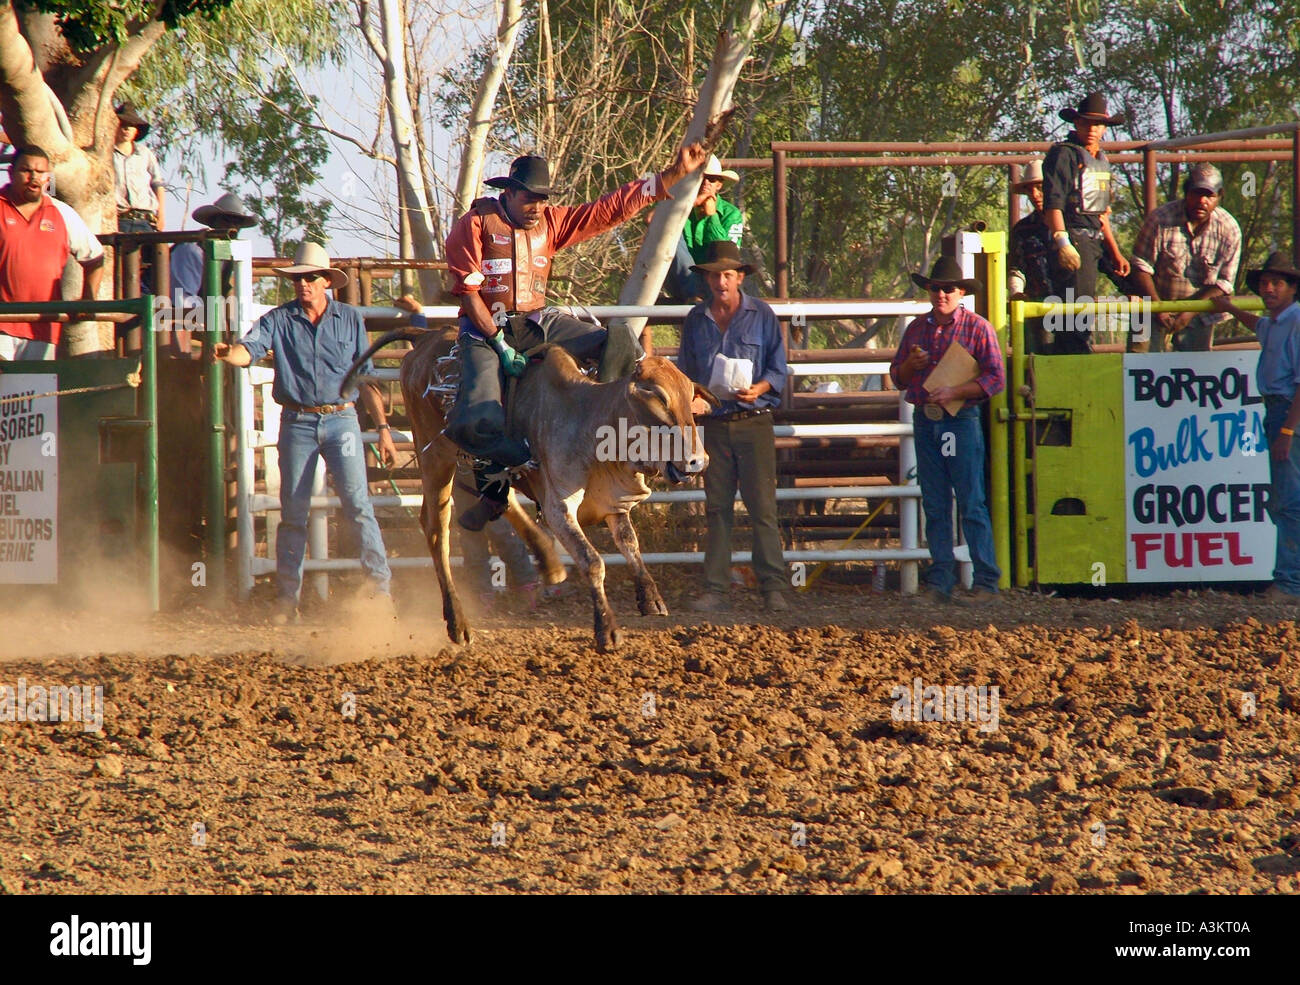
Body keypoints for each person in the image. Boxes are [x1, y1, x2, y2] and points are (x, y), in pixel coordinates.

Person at [443, 141, 708, 531]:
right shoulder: (475, 224)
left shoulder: (552, 222)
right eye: (530, 198)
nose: (537, 206)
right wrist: (496, 341)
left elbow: (609, 208)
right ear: (510, 193)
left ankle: (610, 433)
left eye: (543, 199)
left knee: (617, 341)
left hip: (536, 321)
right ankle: (499, 487)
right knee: (481, 414)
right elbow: (469, 294)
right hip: (484, 329)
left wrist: (672, 174)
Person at [213, 242, 398, 625]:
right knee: (294, 512)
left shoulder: (349, 319)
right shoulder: (279, 319)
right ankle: (286, 601)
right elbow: (250, 349)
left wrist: (382, 429)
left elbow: (366, 379)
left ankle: (380, 592)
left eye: (310, 277)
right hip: (298, 421)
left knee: (358, 506)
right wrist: (230, 354)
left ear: (326, 281)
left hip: (342, 417)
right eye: (298, 278)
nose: (304, 284)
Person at [390, 293, 541, 605]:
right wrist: (418, 315)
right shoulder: (464, 359)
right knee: (476, 526)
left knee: (495, 523)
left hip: (477, 453)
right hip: (461, 453)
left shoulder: (480, 362)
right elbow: (429, 357)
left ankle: (522, 584)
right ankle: (500, 588)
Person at [677, 240, 789, 614]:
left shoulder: (762, 315)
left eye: (727, 274)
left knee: (762, 508)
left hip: (754, 420)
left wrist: (759, 388)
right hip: (715, 423)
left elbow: (778, 368)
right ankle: (717, 588)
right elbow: (688, 372)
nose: (720, 281)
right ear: (707, 278)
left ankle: (772, 586)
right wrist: (692, 398)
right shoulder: (696, 320)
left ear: (739, 277)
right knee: (717, 507)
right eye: (714, 274)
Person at [890, 256, 1005, 605]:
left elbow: (996, 378)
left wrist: (955, 392)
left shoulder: (977, 327)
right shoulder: (916, 329)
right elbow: (898, 376)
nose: (941, 294)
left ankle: (980, 580)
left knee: (968, 501)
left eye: (947, 289)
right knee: (937, 503)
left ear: (960, 293)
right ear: (929, 290)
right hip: (931, 419)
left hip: (957, 419)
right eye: (936, 288)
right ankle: (945, 581)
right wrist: (911, 365)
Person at [1210, 253, 1300, 599]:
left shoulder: (1293, 322)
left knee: (1288, 499)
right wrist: (1231, 309)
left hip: (1287, 411)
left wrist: (1288, 430)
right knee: (1285, 498)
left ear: (1292, 288)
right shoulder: (1276, 323)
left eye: (1277, 283)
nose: (1268, 289)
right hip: (1279, 410)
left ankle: (1290, 582)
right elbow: (1257, 324)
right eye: (1265, 283)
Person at [1042, 91, 1130, 353]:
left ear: (1105, 127)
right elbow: (1052, 203)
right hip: (1074, 237)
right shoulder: (1063, 155)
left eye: (1097, 124)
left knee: (1137, 287)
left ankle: (1140, 355)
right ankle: (1073, 360)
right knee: (1075, 311)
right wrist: (1062, 242)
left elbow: (1103, 214)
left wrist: (1115, 252)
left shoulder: (1101, 161)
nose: (1092, 129)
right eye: (1086, 123)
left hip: (1097, 240)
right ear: (1076, 124)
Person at [0, 145, 104, 360]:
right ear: (11, 173)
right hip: (2, 325)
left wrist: (88, 298)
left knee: (35, 392)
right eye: (26, 170)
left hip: (44, 329)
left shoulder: (62, 212)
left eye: (40, 172)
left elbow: (95, 258)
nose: (33, 178)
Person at [1127, 162, 1241, 353]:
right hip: (1152, 307)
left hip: (1200, 315)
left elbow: (1224, 284)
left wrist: (1189, 312)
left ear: (1220, 196)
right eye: (1196, 193)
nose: (1202, 200)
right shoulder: (1160, 219)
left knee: (1194, 373)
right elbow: (1140, 268)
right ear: (1186, 192)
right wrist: (1158, 307)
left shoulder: (1229, 229)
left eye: (1209, 195)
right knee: (1141, 367)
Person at [170, 191, 258, 358]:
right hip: (165, 311)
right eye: (226, 220)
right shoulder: (192, 250)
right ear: (213, 222)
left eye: (237, 222)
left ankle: (227, 366)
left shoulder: (227, 255)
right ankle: (181, 372)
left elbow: (224, 295)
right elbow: (181, 301)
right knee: (180, 320)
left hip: (200, 314)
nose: (232, 227)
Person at [664, 153, 744, 303]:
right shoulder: (676, 209)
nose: (706, 183)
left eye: (712, 179)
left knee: (724, 257)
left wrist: (712, 216)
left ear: (719, 185)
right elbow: (651, 222)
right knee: (669, 232)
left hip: (717, 286)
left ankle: (697, 297)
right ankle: (693, 295)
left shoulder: (732, 214)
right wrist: (690, 205)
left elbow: (727, 257)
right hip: (680, 284)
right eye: (701, 177)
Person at [113, 103, 165, 295]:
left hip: (145, 218)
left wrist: (161, 216)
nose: (126, 129)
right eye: (122, 124)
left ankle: (148, 301)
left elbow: (158, 185)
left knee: (154, 263)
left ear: (136, 131)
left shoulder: (145, 154)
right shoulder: (106, 154)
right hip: (120, 218)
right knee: (121, 267)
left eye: (131, 125)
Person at [1007, 159, 1053, 353]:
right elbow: (1016, 268)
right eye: (1029, 189)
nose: (1035, 195)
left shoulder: (1076, 224)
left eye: (1040, 188)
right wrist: (1016, 292)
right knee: (1037, 362)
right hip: (1037, 309)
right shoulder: (1023, 229)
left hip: (1074, 307)